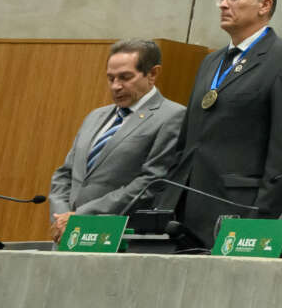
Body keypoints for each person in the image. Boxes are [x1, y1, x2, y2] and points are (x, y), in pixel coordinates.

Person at [171, 0, 282, 244]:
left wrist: (260, 221)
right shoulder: (211, 61)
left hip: (239, 211)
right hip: (185, 212)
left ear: (265, 6)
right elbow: (187, 142)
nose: (225, 4)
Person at [48, 38, 185, 235]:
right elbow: (65, 174)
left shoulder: (172, 116)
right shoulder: (95, 117)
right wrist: (60, 218)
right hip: (67, 232)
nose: (115, 86)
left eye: (125, 77)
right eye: (111, 78)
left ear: (153, 74)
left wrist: (83, 216)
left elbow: (150, 182)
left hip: (113, 235)